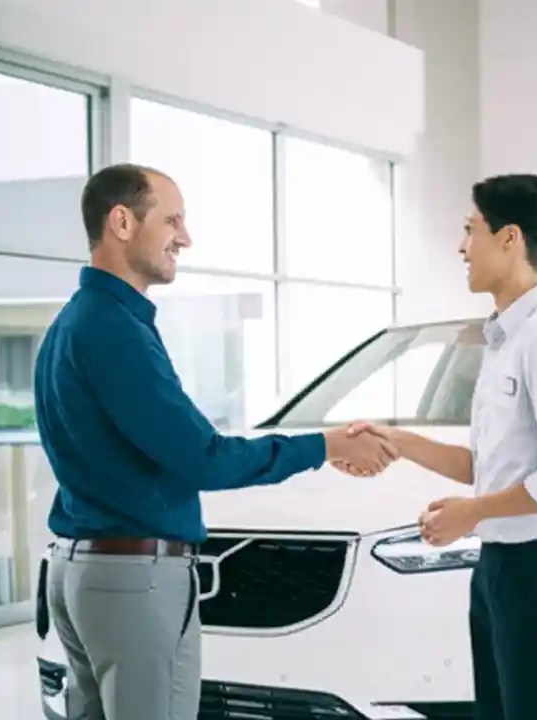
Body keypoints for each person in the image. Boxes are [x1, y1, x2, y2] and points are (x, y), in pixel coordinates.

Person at [35, 163, 397, 719]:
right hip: (133, 583)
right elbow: (203, 459)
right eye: (173, 220)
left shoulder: (72, 324)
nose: (185, 237)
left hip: (84, 572)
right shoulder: (114, 331)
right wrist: (325, 446)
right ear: (122, 222)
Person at [342, 174, 537, 720]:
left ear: (509, 238)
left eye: (470, 230)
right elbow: (490, 466)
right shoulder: (505, 340)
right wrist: (399, 441)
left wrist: (472, 514)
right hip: (501, 569)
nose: (462, 247)